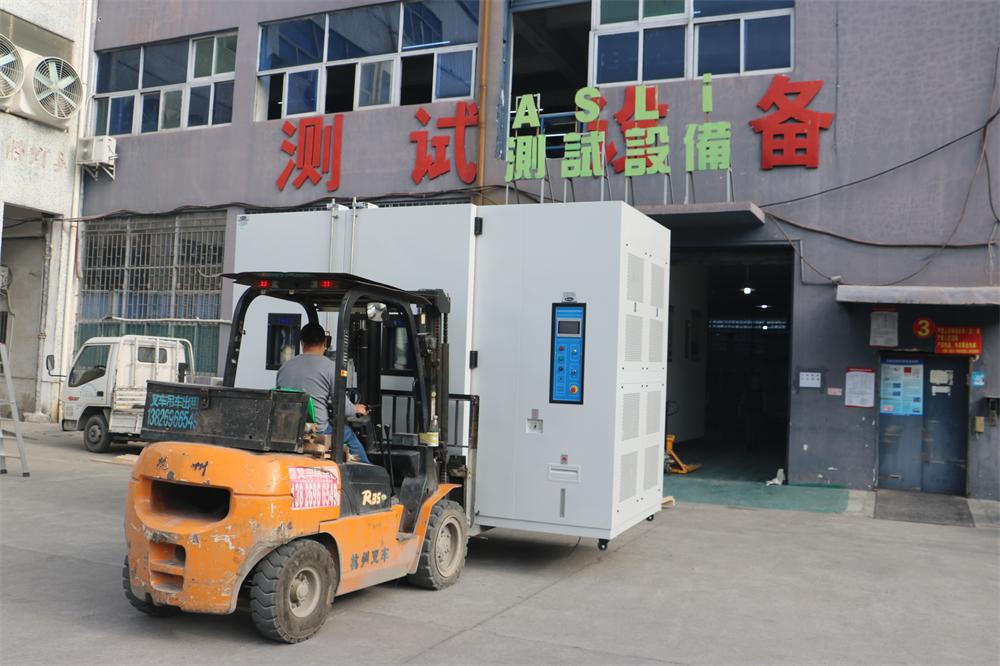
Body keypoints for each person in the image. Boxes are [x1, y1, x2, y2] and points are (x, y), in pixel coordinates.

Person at [276, 322, 370, 463]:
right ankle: (368, 471)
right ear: (325, 342)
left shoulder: (284, 367)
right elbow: (342, 407)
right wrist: (356, 409)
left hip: (288, 428)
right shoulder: (331, 368)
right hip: (316, 430)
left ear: (301, 343)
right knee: (348, 434)